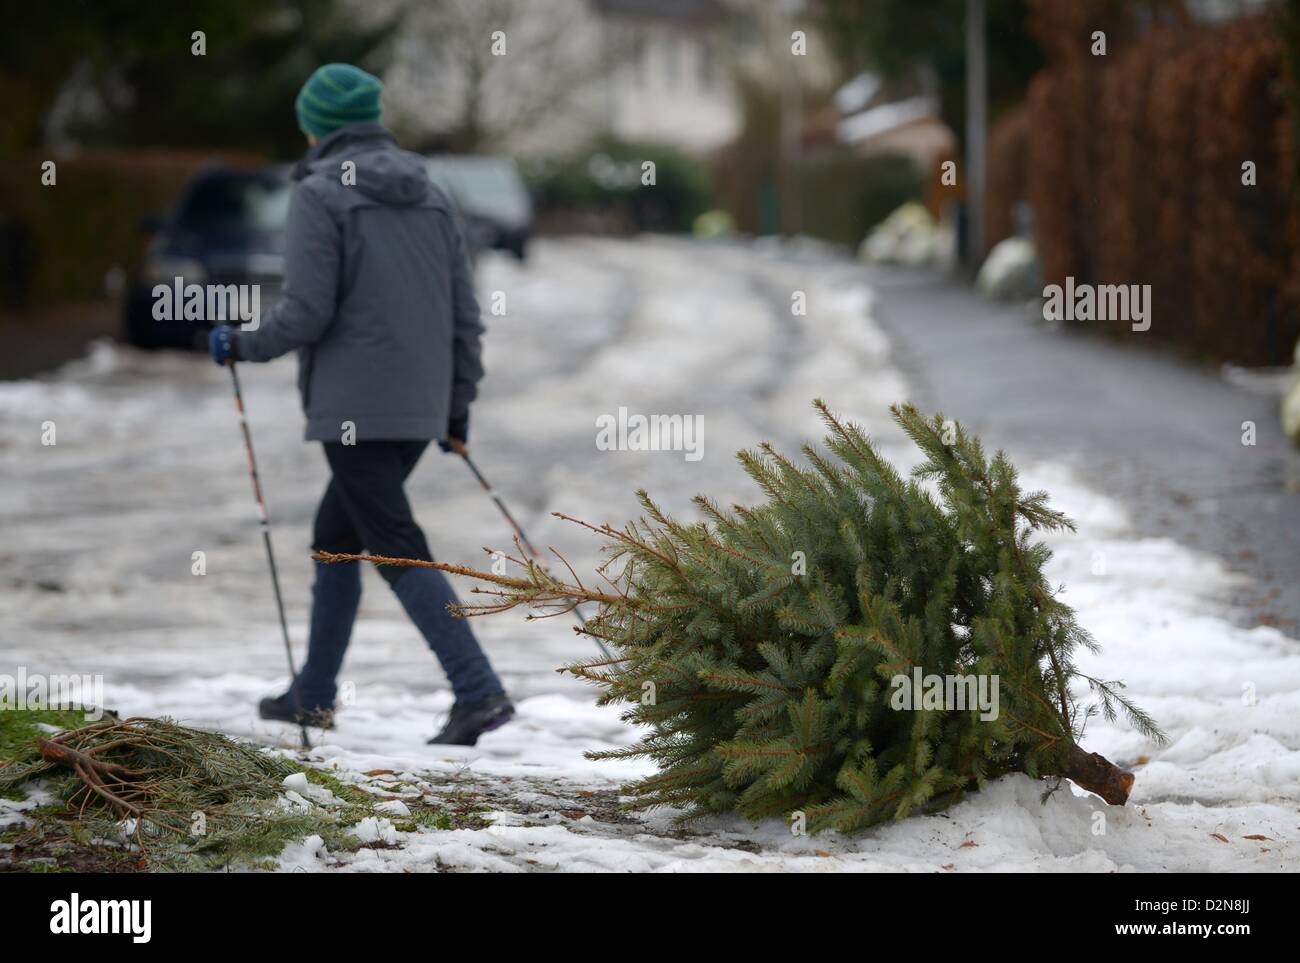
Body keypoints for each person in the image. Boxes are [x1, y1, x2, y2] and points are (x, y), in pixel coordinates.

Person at [209, 63, 513, 746]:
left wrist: (241, 343)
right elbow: (466, 314)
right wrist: (455, 403)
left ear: (316, 123)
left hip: (357, 409)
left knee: (396, 544)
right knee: (336, 540)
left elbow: (306, 312)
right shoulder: (433, 191)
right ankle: (314, 695)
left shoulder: (320, 193)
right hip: (418, 405)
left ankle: (478, 690)